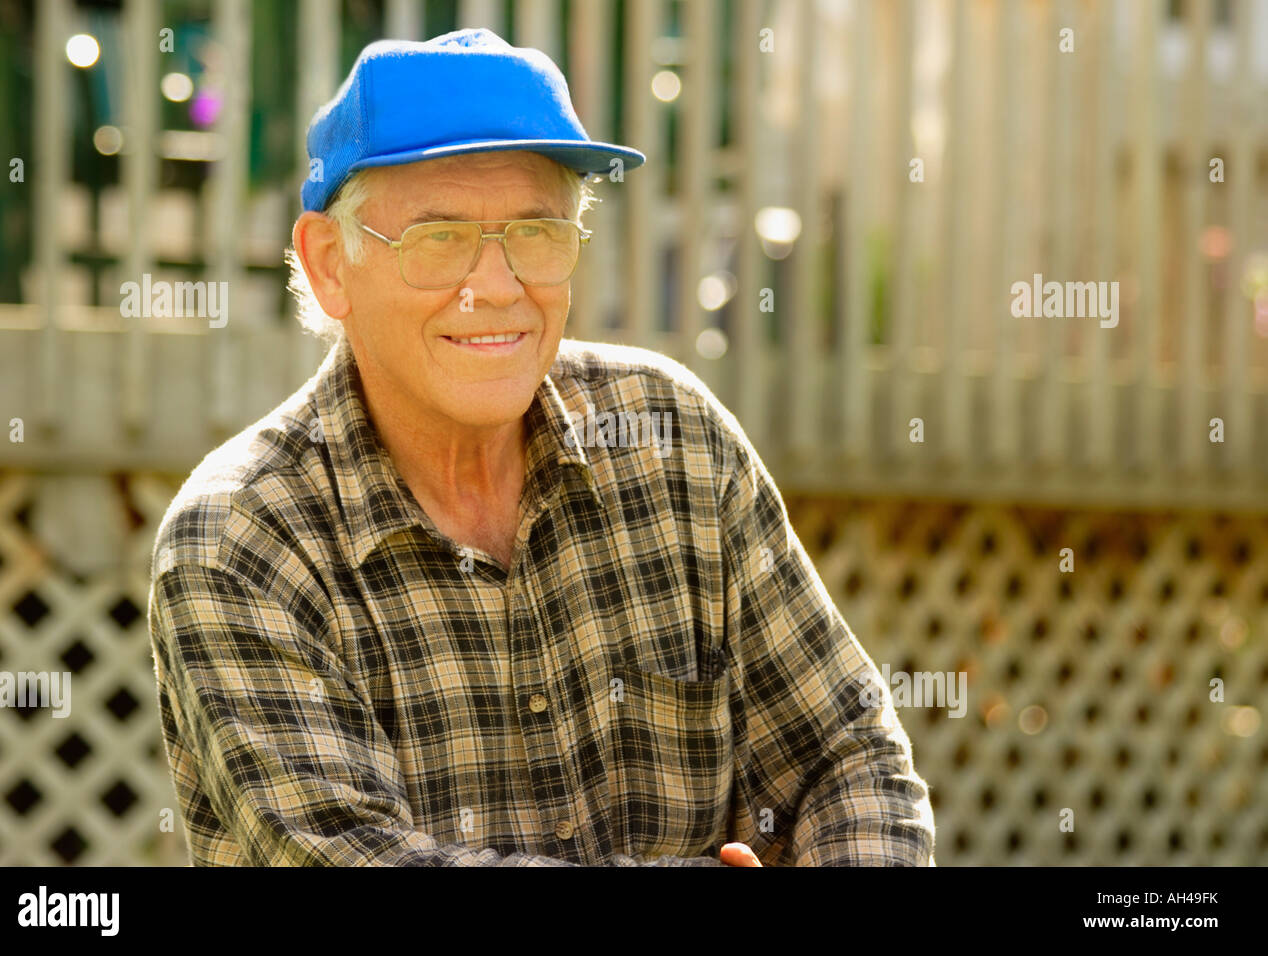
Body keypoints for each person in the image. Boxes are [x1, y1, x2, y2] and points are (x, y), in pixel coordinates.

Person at [147, 27, 935, 866]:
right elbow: (357, 859)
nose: (496, 286)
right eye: (438, 238)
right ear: (330, 263)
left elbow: (847, 751)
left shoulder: (678, 444)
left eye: (536, 232)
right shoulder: (241, 541)